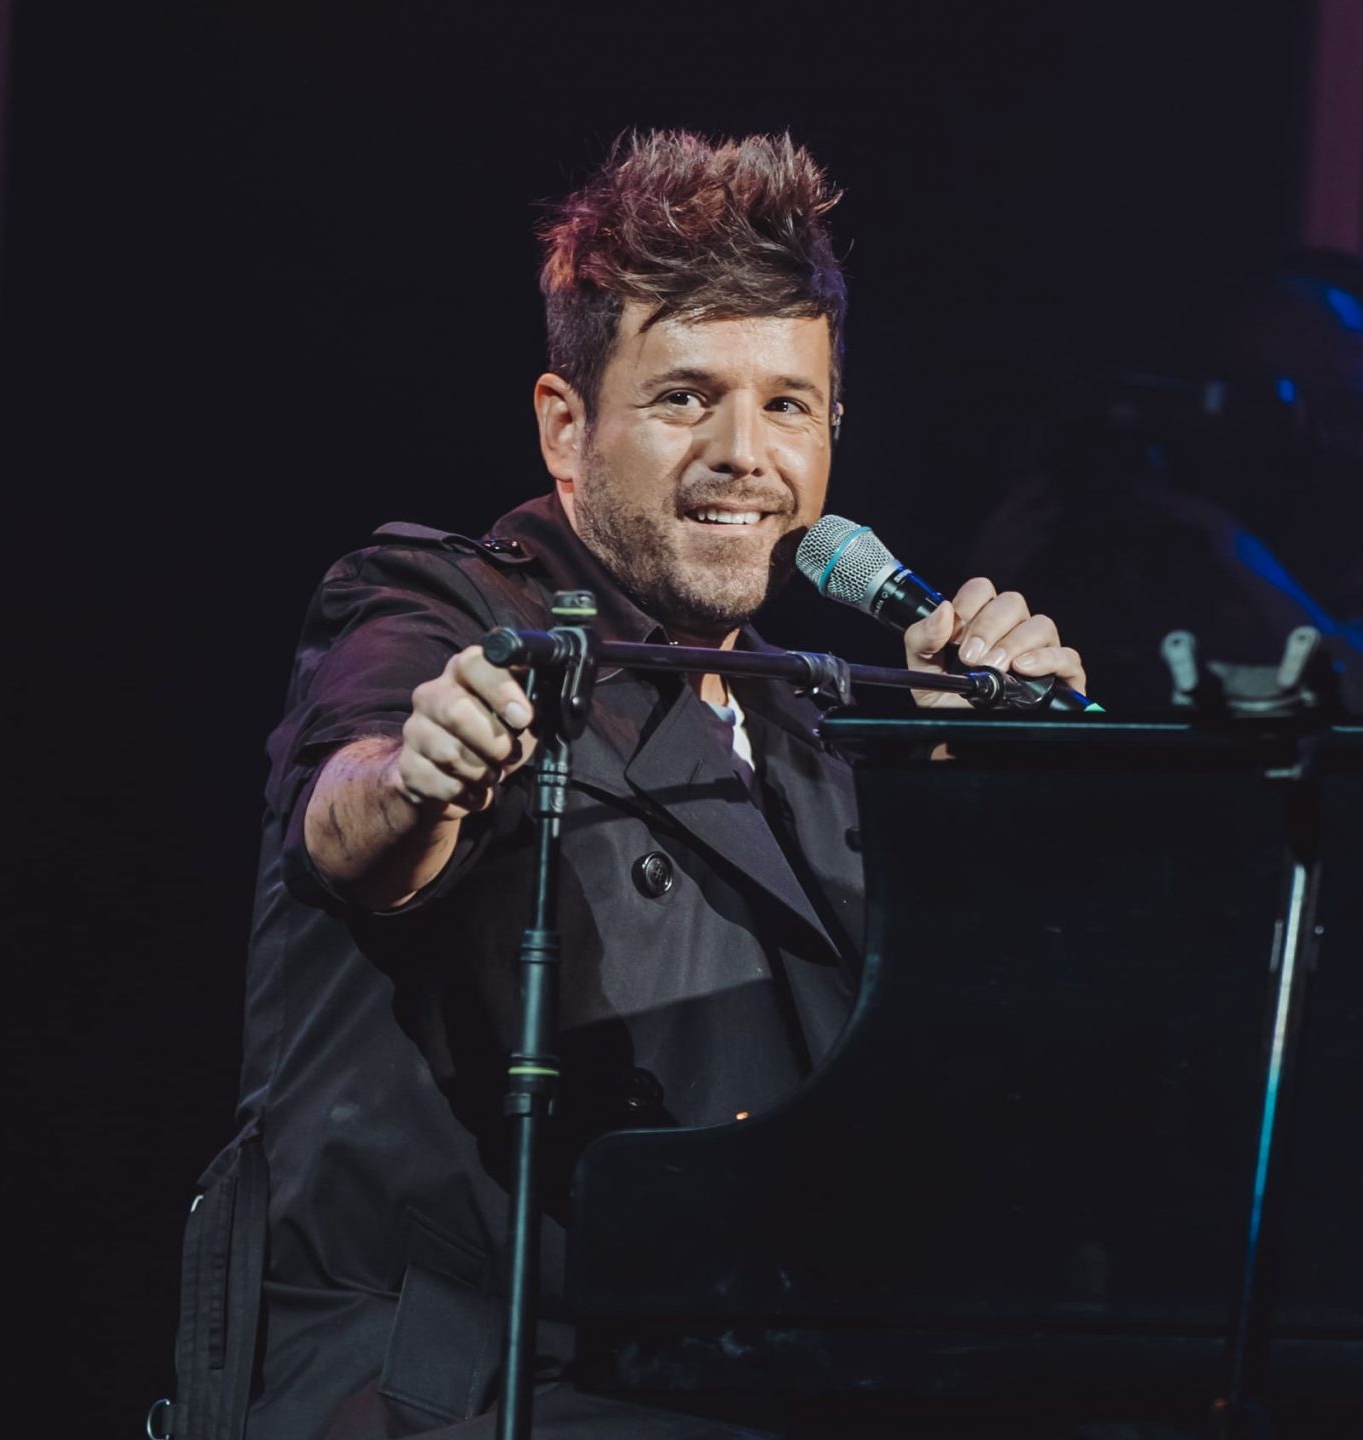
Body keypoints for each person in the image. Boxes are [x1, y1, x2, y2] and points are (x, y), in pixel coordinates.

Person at [167, 130, 1085, 1440]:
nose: (743, 454)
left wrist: (975, 788)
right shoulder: (444, 603)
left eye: (787, 406)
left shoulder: (815, 724)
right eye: (684, 399)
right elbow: (357, 822)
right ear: (566, 425)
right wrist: (424, 770)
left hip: (744, 1381)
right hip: (471, 1399)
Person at [970, 251, 1363, 718]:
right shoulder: (1102, 641)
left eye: (1343, 410)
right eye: (1264, 404)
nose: (1304, 443)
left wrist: (1259, 580)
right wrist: (984, 631)